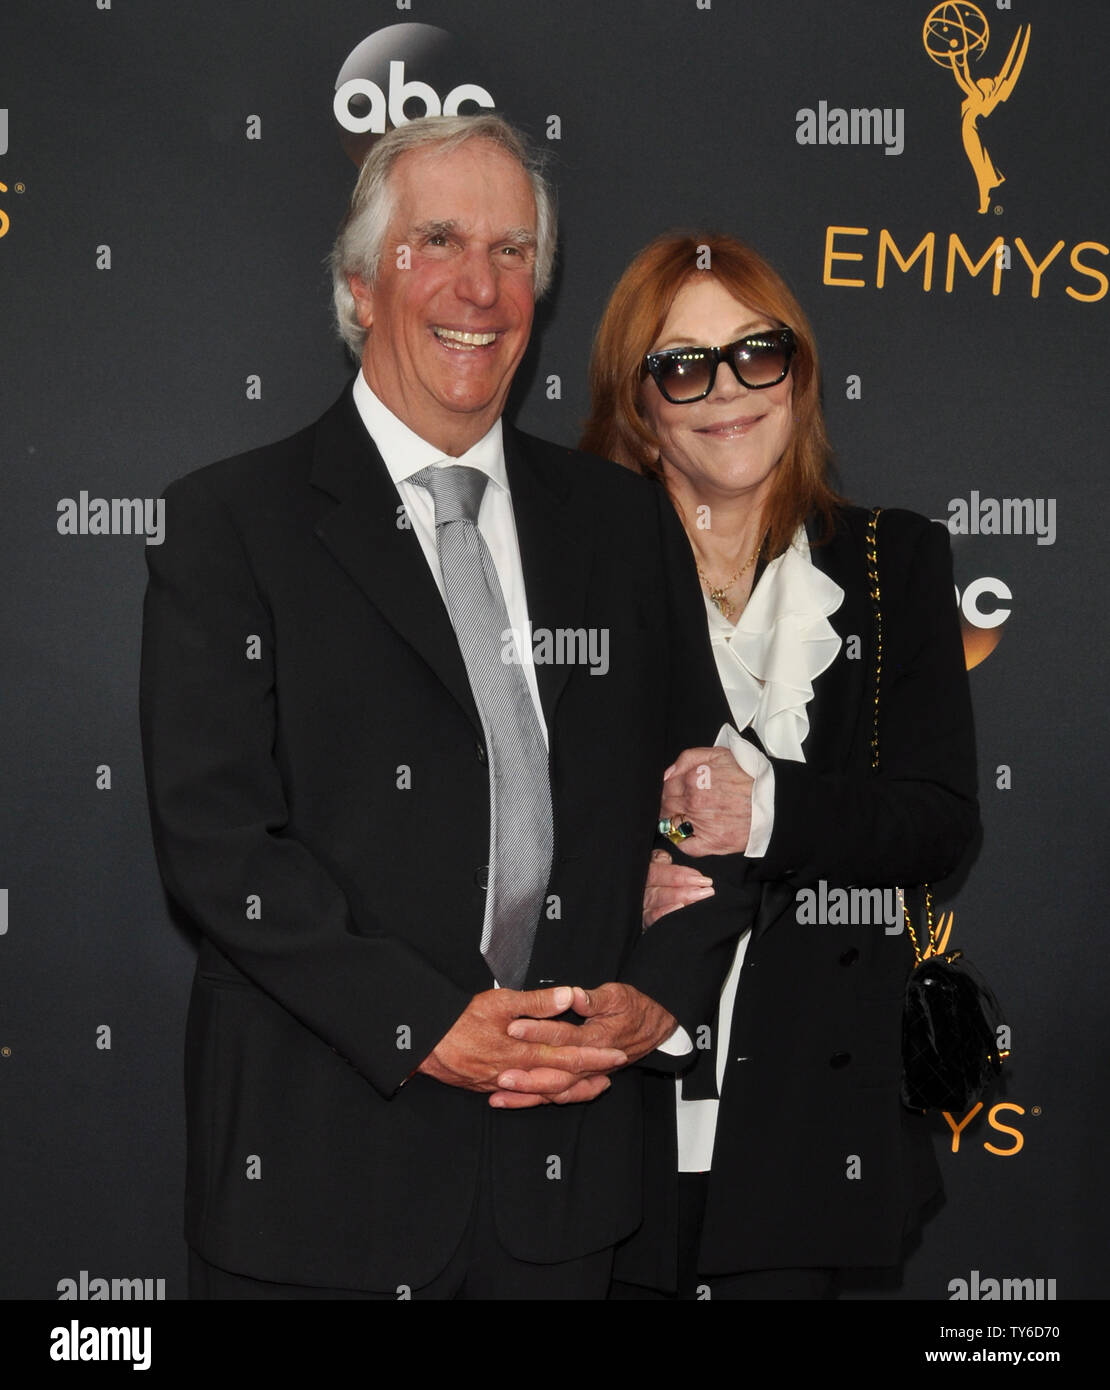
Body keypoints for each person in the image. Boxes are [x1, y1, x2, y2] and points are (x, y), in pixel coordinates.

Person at [139, 118, 758, 1299]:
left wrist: (657, 996)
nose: (482, 286)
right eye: (438, 241)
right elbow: (218, 846)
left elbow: (708, 795)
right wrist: (425, 1023)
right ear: (362, 286)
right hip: (318, 1193)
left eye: (514, 250)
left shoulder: (623, 526)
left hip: (569, 1193)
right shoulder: (232, 525)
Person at [580, 232, 979, 1299]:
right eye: (684, 364)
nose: (727, 392)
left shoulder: (895, 563)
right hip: (607, 1139)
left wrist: (768, 814)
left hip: (816, 1143)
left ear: (799, 373)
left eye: (758, 353)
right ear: (638, 403)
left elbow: (939, 821)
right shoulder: (571, 581)